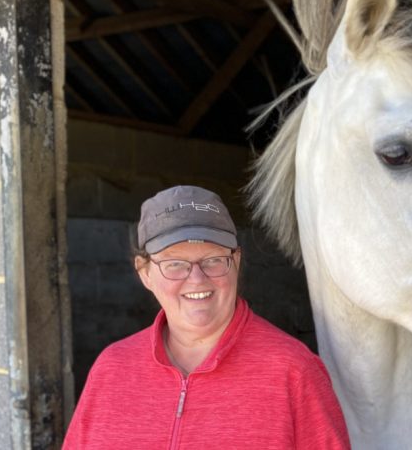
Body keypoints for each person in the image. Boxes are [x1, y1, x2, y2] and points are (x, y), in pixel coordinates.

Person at [64, 185, 350, 449]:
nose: (197, 279)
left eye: (213, 260)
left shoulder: (294, 370)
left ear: (236, 261)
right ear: (145, 272)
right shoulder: (111, 371)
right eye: (175, 264)